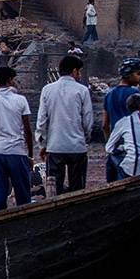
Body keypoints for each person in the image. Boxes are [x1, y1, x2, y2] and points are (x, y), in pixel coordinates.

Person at [36, 55, 93, 195]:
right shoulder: (82, 90)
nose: (79, 75)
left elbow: (42, 121)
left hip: (55, 147)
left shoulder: (47, 90)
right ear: (74, 71)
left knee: (54, 188)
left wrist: (42, 144)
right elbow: (87, 120)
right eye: (79, 71)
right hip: (77, 147)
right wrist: (85, 136)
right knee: (77, 188)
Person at [0, 66, 33, 211]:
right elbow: (27, 130)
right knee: (22, 194)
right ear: (11, 80)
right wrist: (30, 155)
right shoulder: (20, 100)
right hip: (17, 151)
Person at [102, 58, 140, 182]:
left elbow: (105, 125)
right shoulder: (135, 94)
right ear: (129, 74)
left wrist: (110, 145)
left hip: (116, 149)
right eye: (138, 74)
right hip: (132, 148)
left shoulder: (109, 95)